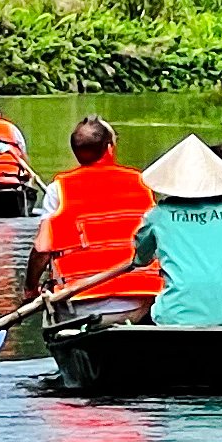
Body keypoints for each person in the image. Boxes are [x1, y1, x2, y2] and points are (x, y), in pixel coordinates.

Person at [31, 116, 160, 308]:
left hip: (80, 299)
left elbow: (42, 249)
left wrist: (30, 288)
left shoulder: (58, 189)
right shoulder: (142, 183)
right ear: (109, 149)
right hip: (144, 296)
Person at [124, 136, 222, 327]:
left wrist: (143, 261)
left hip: (174, 317)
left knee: (149, 313)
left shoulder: (159, 214)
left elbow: (142, 256)